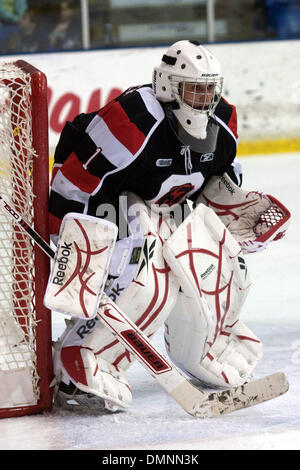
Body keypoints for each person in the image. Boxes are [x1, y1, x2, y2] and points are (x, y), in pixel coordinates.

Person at [49, 40, 289, 413]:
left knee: (224, 268)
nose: (204, 99)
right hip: (107, 214)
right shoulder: (131, 121)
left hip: (167, 209)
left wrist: (237, 214)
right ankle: (81, 355)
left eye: (210, 89)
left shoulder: (223, 121)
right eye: (194, 89)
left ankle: (203, 347)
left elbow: (215, 180)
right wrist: (71, 246)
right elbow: (73, 183)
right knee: (148, 279)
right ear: (167, 86)